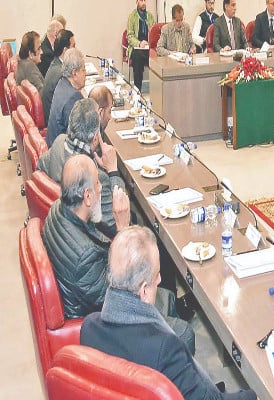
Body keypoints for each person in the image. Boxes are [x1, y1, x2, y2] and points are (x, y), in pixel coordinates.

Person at [81, 226, 256, 400]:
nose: (160, 279)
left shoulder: (88, 327)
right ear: (144, 290)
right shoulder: (164, 348)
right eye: (156, 274)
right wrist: (251, 396)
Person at [43, 156, 195, 352]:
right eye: (98, 183)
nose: (101, 189)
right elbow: (120, 295)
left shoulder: (59, 210)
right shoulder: (84, 257)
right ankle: (173, 364)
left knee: (166, 296)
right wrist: (123, 228)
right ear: (87, 196)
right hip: (103, 323)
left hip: (87, 298)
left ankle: (168, 339)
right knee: (184, 333)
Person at [38, 98, 124, 238]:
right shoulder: (97, 178)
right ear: (96, 137)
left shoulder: (59, 142)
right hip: (92, 239)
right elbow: (116, 225)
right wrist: (113, 172)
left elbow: (39, 167)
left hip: (64, 228)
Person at [46, 47, 86, 146]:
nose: (86, 73)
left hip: (54, 146)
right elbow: (81, 137)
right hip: (62, 155)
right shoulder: (74, 98)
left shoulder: (61, 83)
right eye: (83, 70)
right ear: (74, 73)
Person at [41, 29, 75, 123]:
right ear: (65, 50)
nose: (75, 49)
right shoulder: (61, 74)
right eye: (73, 46)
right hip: (56, 124)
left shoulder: (55, 63)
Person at [127, 0, 156, 91]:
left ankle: (156, 89)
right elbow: (129, 36)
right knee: (137, 57)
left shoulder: (150, 16)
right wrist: (139, 43)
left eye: (145, 0)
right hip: (137, 48)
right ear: (136, 2)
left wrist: (150, 40)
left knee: (156, 57)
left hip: (148, 48)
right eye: (141, 0)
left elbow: (155, 33)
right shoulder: (132, 17)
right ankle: (137, 90)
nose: (143, 2)